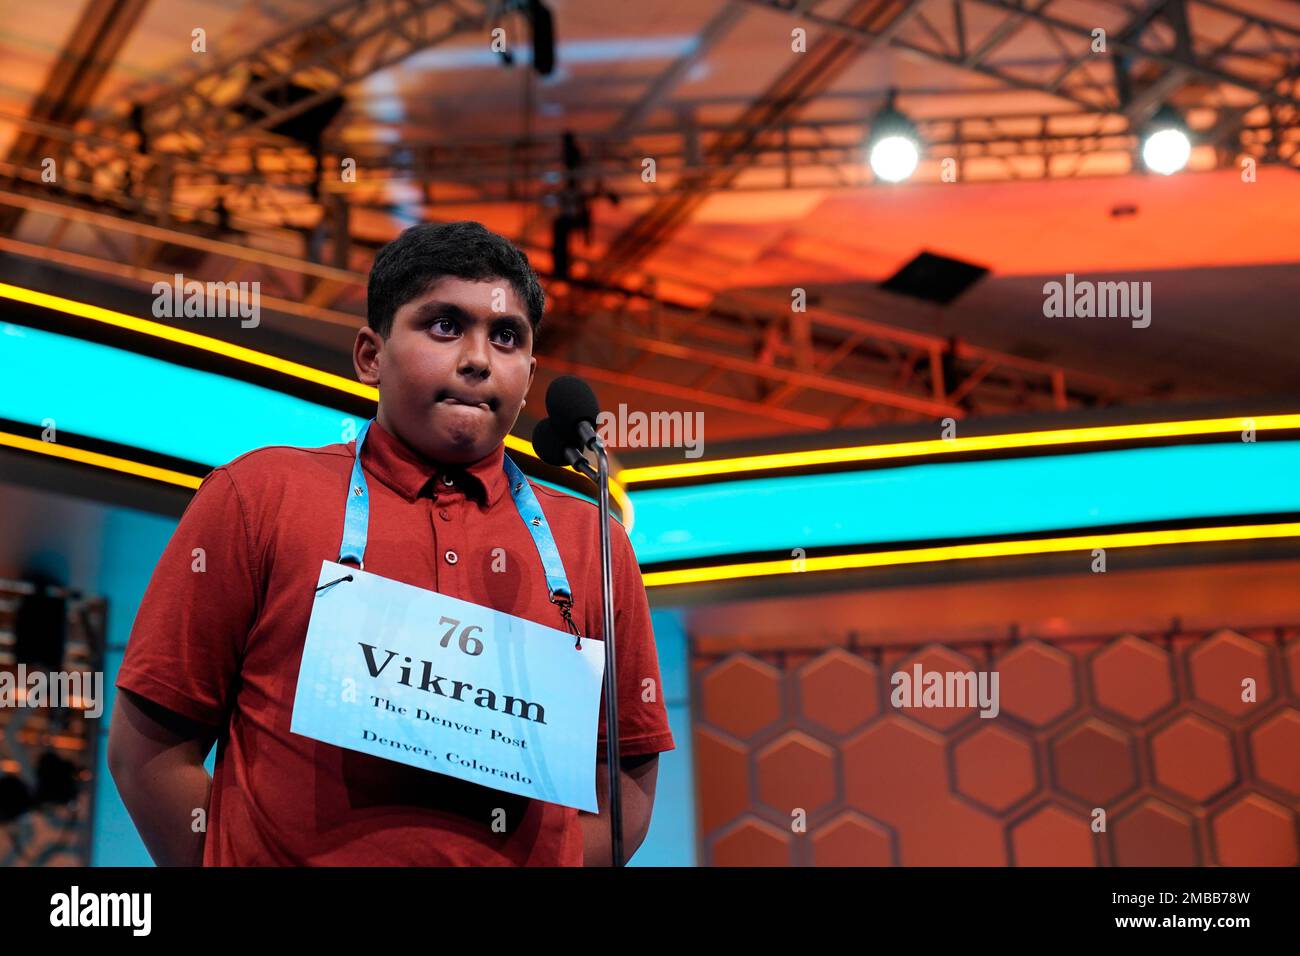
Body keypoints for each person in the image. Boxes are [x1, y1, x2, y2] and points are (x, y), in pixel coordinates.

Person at [107, 220, 675, 865]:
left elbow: (625, 780)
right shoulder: (260, 495)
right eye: (443, 325)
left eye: (506, 337)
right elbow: (148, 751)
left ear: (530, 371)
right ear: (370, 355)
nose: (478, 358)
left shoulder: (591, 538)